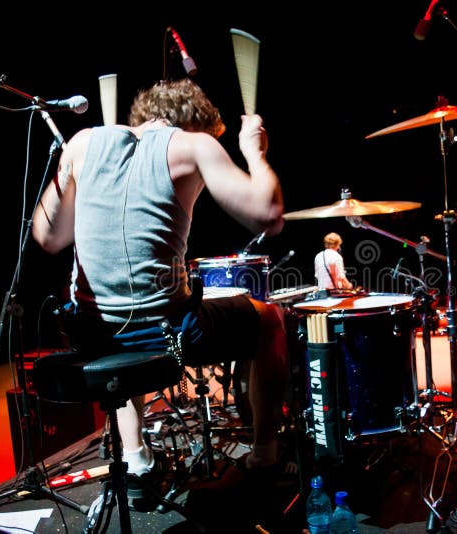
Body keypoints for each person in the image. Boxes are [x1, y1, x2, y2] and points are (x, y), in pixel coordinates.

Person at [31, 78, 289, 500]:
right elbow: (269, 214)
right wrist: (252, 153)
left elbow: (48, 238)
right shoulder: (193, 145)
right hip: (167, 333)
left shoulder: (81, 144)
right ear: (196, 122)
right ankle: (264, 453)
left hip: (91, 331)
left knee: (123, 327)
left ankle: (136, 459)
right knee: (271, 319)